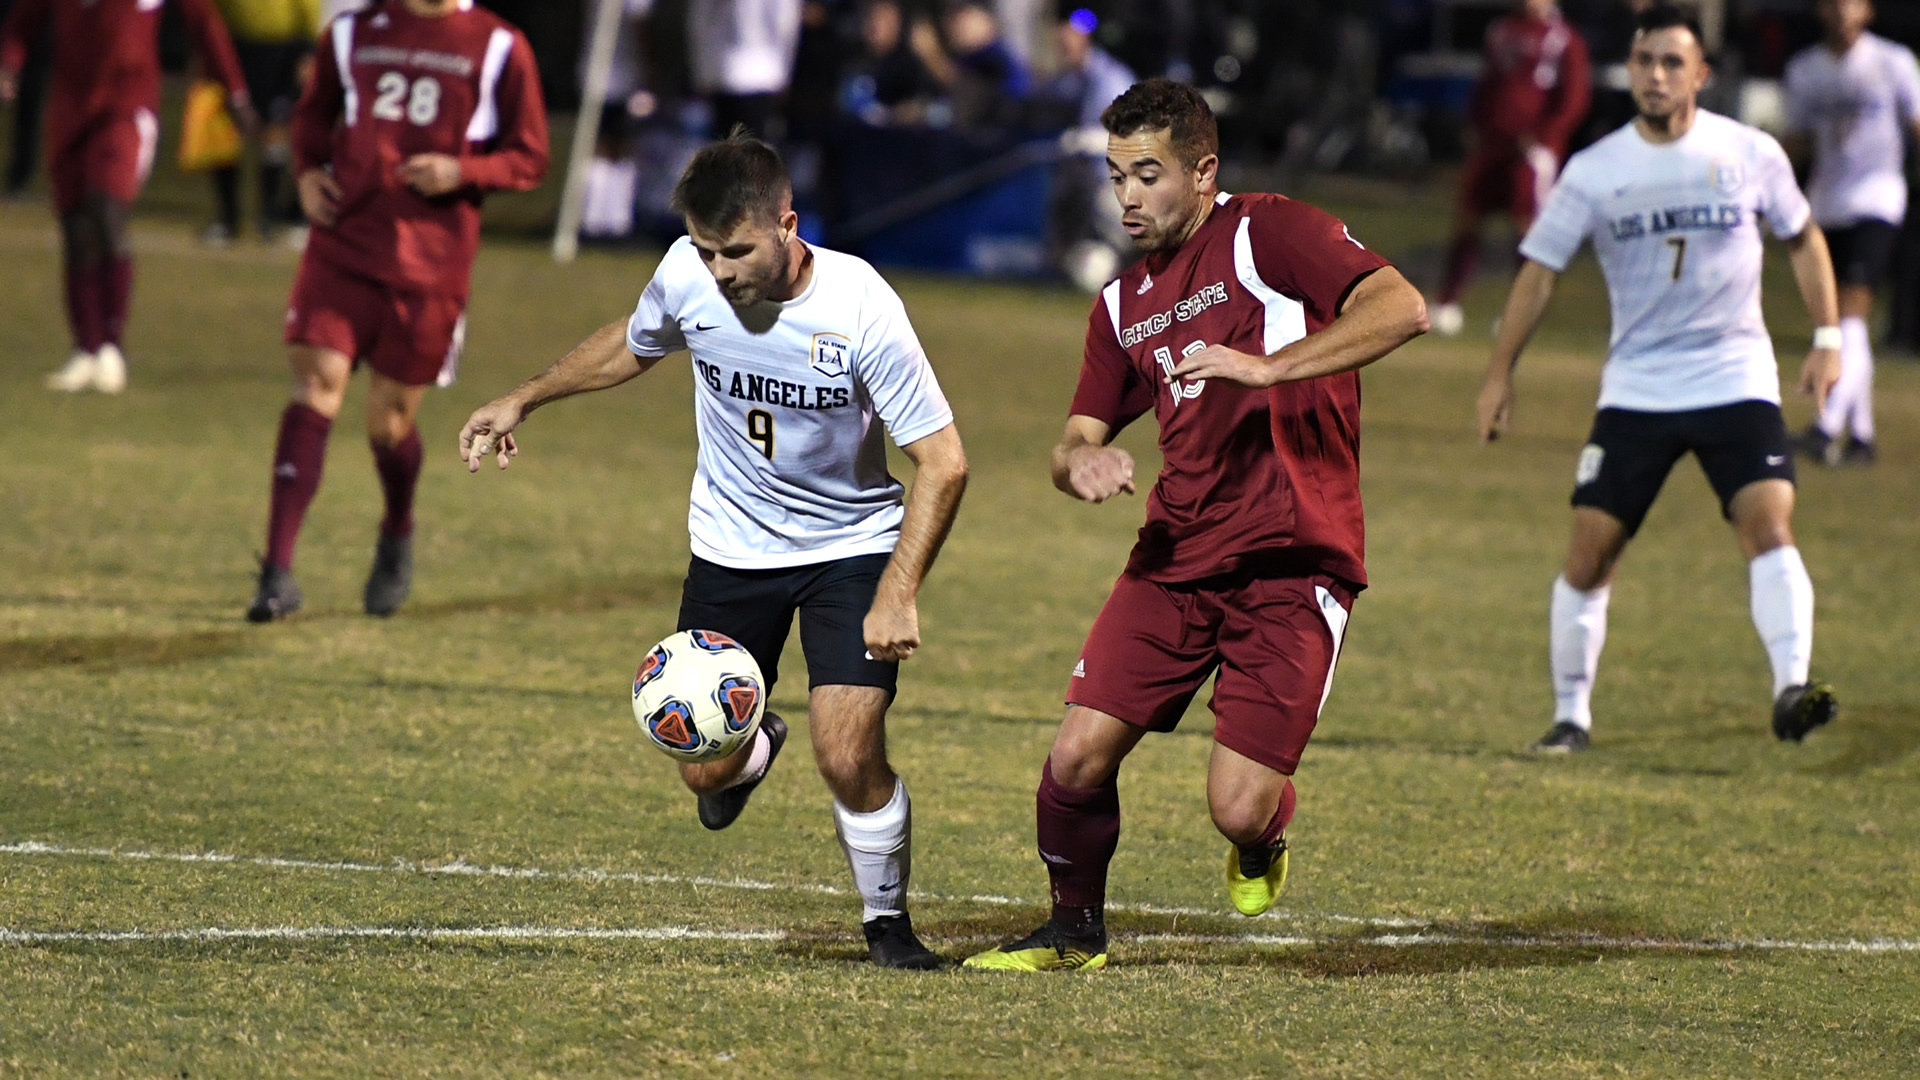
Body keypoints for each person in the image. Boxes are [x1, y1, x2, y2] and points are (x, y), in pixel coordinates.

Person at [457, 133, 969, 970]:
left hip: (851, 546)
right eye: (706, 251)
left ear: (787, 226)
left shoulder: (863, 308)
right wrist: (527, 396)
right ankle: (752, 742)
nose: (721, 270)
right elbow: (636, 339)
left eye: (737, 251)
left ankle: (887, 925)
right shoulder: (688, 272)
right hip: (731, 546)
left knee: (847, 751)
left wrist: (898, 589)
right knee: (704, 770)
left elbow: (943, 461)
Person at [965, 79, 1429, 972]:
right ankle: (1072, 934)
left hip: (1297, 562)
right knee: (1076, 758)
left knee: (1238, 806)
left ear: (1204, 172)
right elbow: (1074, 438)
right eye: (1115, 176)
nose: (1129, 197)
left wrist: (1270, 370)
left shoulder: (1269, 233)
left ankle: (1265, 835)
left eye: (1148, 174)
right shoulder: (1123, 301)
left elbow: (1399, 306)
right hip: (1176, 555)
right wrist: (1080, 463)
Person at [1475, 4, 1843, 755]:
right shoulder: (1597, 169)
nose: (1656, 76)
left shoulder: (1750, 152)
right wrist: (1498, 374)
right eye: (1645, 61)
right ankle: (1570, 718)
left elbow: (1804, 240)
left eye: (1672, 63)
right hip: (1638, 390)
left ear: (1702, 74)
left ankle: (1791, 687)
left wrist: (1829, 336)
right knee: (1589, 553)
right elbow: (1539, 274)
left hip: (1735, 378)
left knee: (1769, 524)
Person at [246, 0, 548, 622]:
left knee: (388, 426)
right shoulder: (353, 29)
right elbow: (312, 118)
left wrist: (463, 169)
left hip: (429, 268)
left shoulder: (497, 45)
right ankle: (276, 574)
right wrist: (305, 174)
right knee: (315, 387)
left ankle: (397, 527)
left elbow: (530, 156)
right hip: (343, 246)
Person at [0, 0, 252, 394]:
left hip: (127, 104)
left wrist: (233, 88)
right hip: (70, 103)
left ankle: (112, 347)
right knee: (74, 223)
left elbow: (203, 22)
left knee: (106, 211)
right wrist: (10, 65)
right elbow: (24, 19)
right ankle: (85, 347)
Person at [1783, 0, 1920, 467]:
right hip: (1827, 203)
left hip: (1877, 198)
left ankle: (1825, 427)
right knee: (1843, 319)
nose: (1842, 12)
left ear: (1869, 12)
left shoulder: (1893, 61)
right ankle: (1861, 436)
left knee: (1850, 317)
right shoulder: (1805, 70)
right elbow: (1798, 141)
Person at [1433, 0, 1591, 337]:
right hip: (1492, 143)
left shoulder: (1563, 38)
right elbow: (1488, 82)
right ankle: (1447, 302)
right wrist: (1475, 123)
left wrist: (1542, 137)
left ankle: (1520, 314)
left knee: (1526, 228)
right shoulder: (1501, 30)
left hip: (1531, 151)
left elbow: (1574, 97)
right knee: (1469, 218)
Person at [204, 0, 323, 246]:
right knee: (225, 129)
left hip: (282, 48)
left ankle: (269, 216)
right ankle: (228, 217)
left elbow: (309, 11)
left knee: (274, 129)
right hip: (234, 46)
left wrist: (310, 50)